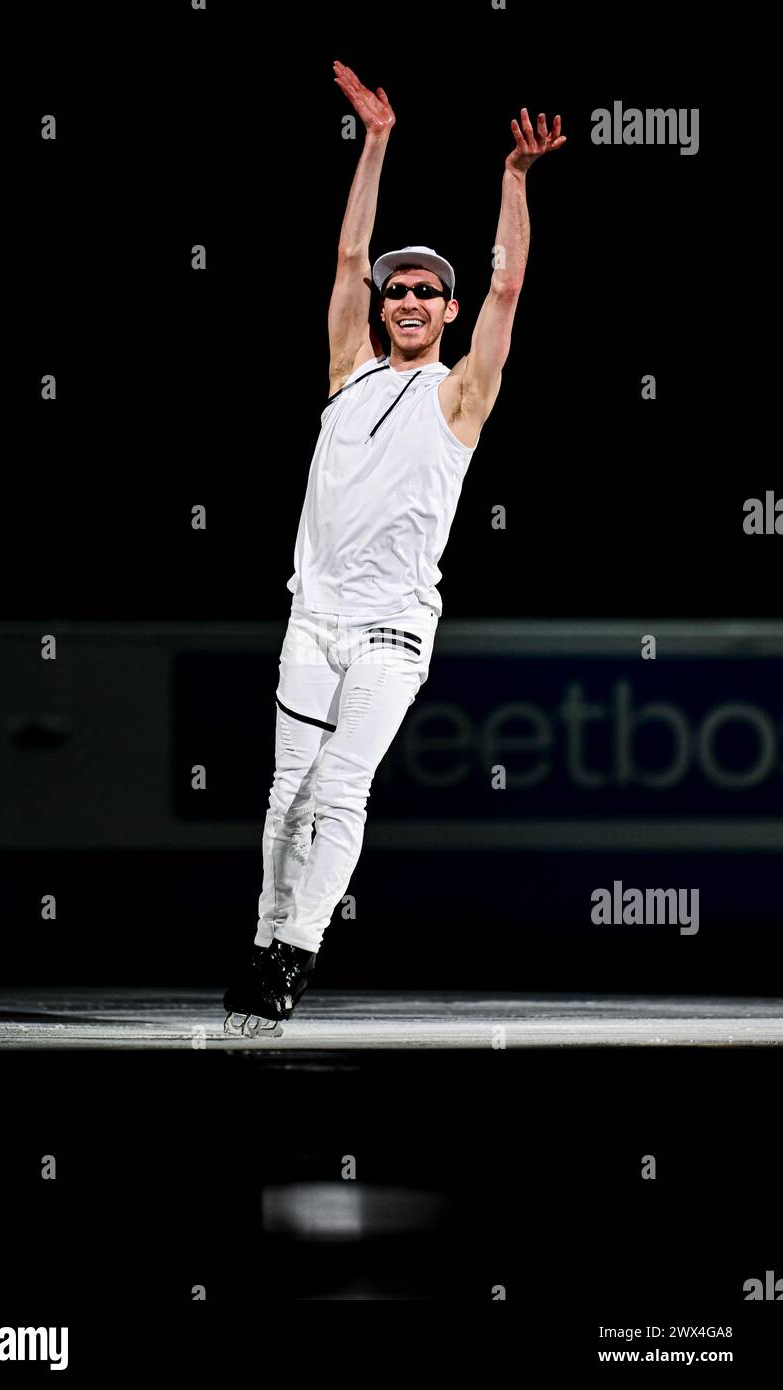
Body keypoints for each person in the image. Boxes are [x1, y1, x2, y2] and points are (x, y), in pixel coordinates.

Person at [223, 62, 566, 1036]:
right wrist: (373, 142)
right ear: (383, 307)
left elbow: (506, 291)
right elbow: (344, 256)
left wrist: (513, 178)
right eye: (397, 289)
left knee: (339, 785)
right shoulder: (348, 374)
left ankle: (293, 956)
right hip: (311, 618)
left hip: (389, 631)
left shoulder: (458, 396)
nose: (408, 297)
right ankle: (263, 939)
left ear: (445, 311)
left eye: (427, 290)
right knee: (286, 794)